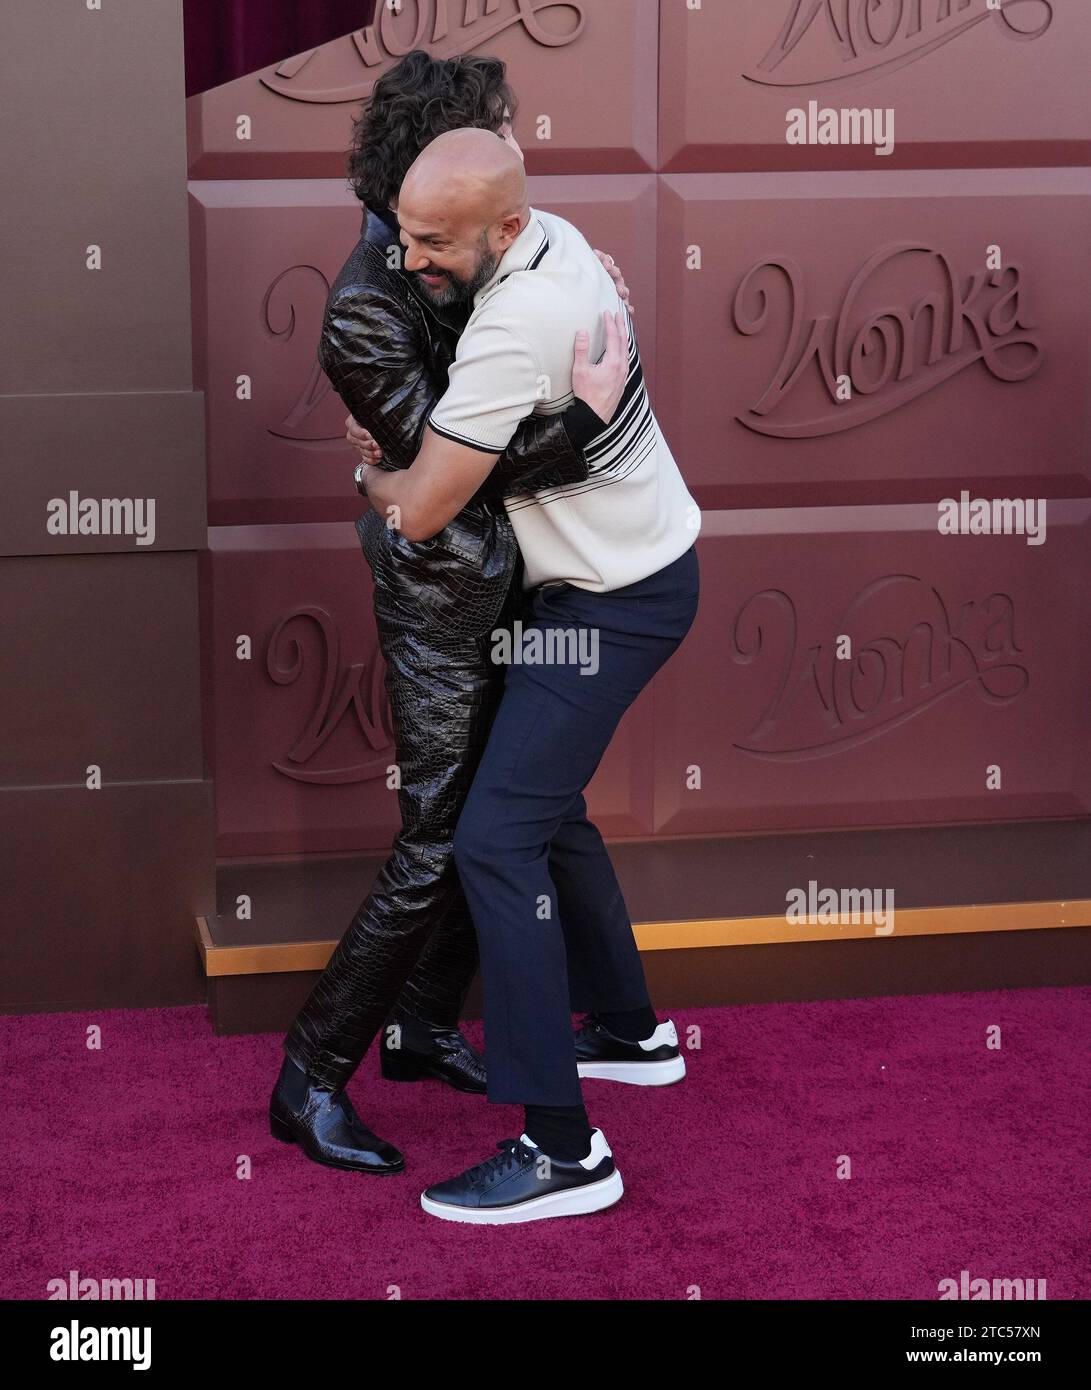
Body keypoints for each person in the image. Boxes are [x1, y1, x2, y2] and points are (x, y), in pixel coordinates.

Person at [268, 51, 630, 1176]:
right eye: (498, 127)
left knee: (500, 819)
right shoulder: (363, 308)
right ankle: (309, 1075)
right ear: (432, 152)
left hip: (518, 573)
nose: (519, 144)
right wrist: (580, 419)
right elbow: (441, 485)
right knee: (437, 842)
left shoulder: (488, 245)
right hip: (441, 595)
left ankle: (424, 1029)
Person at [354, 127, 701, 1222]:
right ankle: (630, 1031)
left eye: (433, 243)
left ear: (501, 229)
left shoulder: (516, 323)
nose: (408, 262)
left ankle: (563, 1151)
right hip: (612, 585)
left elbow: (421, 511)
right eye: (401, 236)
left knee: (495, 835)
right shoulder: (555, 238)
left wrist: (369, 471)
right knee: (544, 813)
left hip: (610, 607)